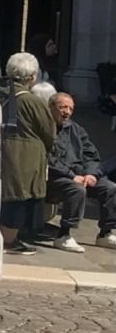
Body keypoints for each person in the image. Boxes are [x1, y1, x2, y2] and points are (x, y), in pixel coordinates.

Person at [0, 52, 57, 256]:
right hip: (25, 157)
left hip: (1, 151)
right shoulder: (32, 101)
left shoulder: (0, 93)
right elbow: (49, 131)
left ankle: (7, 236)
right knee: (19, 198)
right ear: (32, 76)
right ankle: (9, 240)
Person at [47, 93, 116, 251]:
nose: (67, 112)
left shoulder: (76, 129)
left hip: (80, 175)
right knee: (76, 189)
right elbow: (48, 158)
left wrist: (91, 174)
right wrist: (72, 176)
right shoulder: (46, 128)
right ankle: (63, 235)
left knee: (109, 187)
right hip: (56, 176)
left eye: (71, 108)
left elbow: (91, 155)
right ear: (51, 107)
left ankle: (105, 233)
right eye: (63, 107)